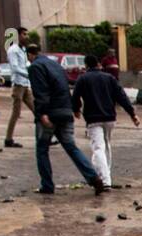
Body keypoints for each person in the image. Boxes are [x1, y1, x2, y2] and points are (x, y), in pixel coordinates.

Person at [28, 44, 103, 196]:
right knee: (71, 147)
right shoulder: (56, 65)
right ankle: (94, 178)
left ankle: (47, 185)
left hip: (50, 112)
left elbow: (40, 92)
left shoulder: (35, 67)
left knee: (42, 149)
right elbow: (65, 87)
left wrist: (42, 114)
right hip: (65, 111)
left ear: (29, 55)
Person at [71, 53, 137, 190]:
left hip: (93, 118)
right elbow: (121, 96)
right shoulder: (109, 78)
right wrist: (132, 113)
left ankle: (105, 179)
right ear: (99, 64)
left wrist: (76, 109)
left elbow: (75, 96)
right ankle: (105, 174)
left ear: (86, 65)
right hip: (109, 117)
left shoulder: (83, 79)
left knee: (98, 148)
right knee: (106, 145)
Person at [3, 27, 32, 148]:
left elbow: (26, 64)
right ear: (18, 36)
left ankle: (46, 136)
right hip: (18, 85)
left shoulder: (23, 49)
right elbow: (15, 68)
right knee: (16, 113)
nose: (26, 37)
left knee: (37, 109)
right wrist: (28, 74)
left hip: (25, 84)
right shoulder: (13, 50)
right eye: (24, 34)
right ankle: (8, 139)